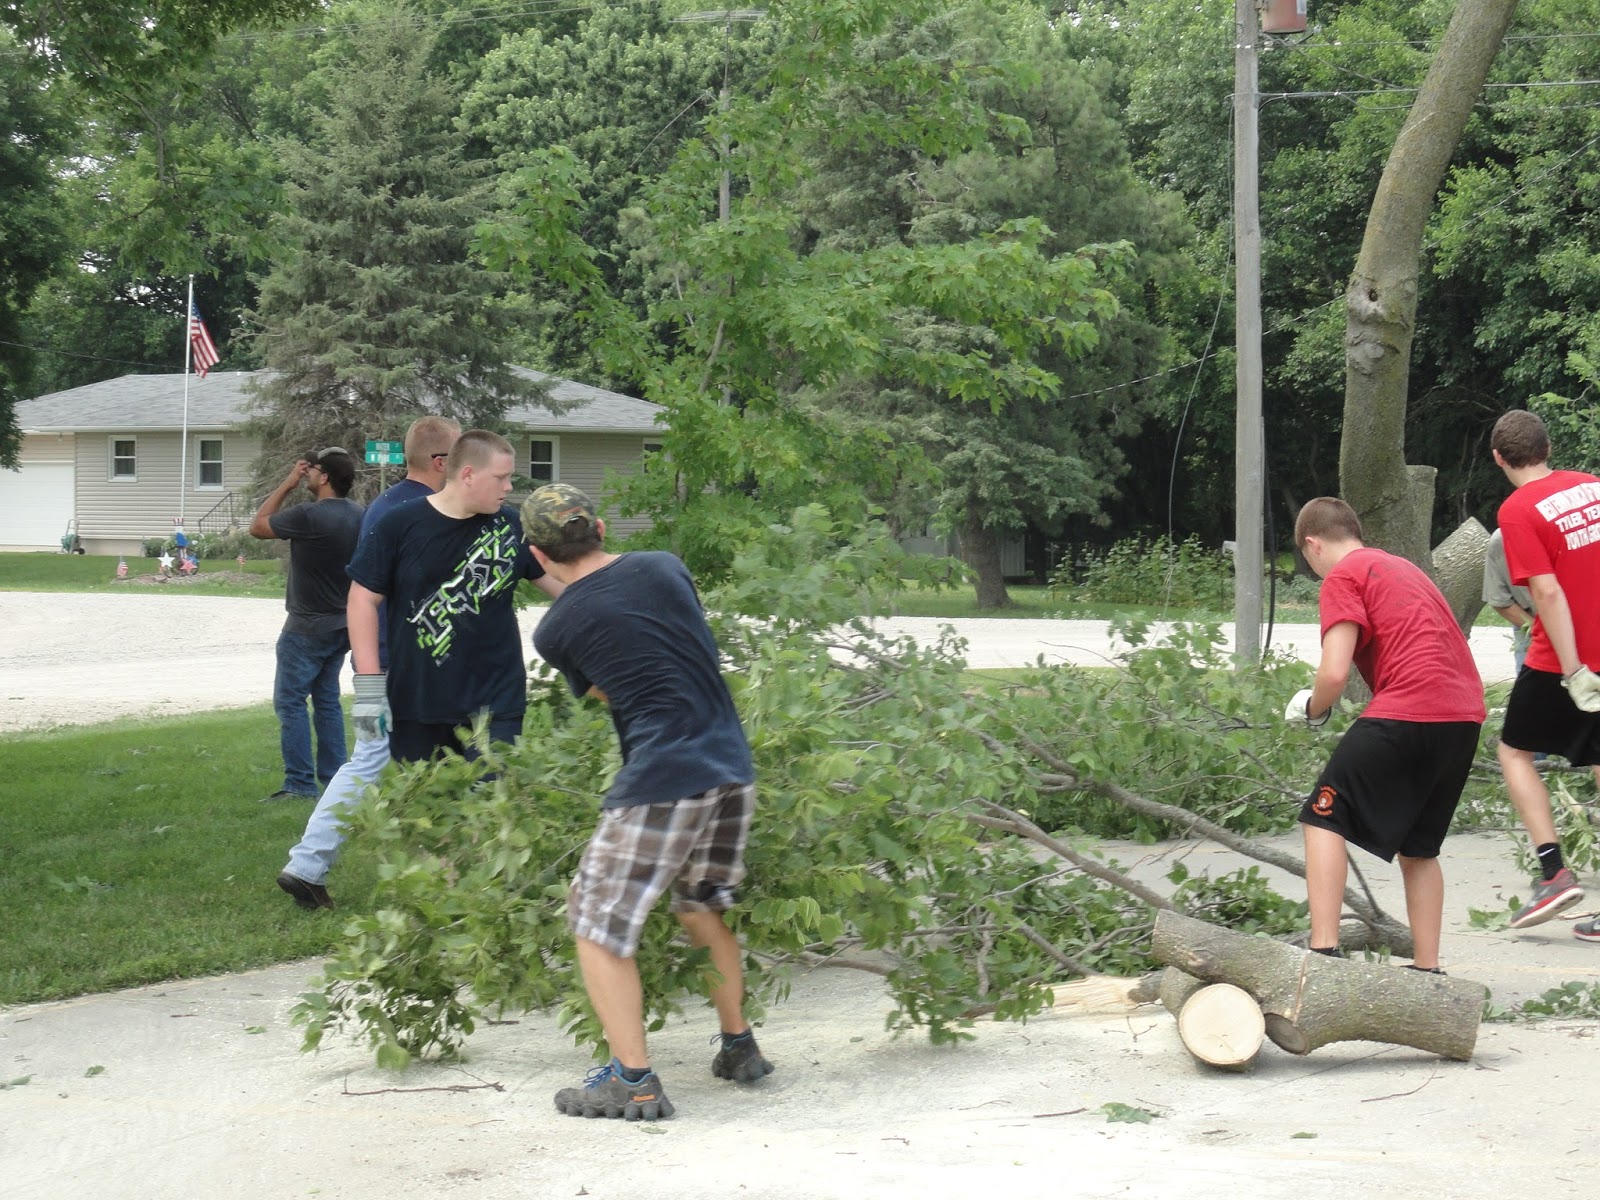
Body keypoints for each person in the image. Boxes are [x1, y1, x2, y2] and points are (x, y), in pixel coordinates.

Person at [523, 483, 769, 1123]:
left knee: (594, 919)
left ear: (539, 555)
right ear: (601, 527)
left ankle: (632, 1083)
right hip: (730, 764)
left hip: (664, 775)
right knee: (700, 904)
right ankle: (739, 1046)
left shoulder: (556, 630)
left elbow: (607, 689)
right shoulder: (664, 566)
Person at [1289, 497, 1485, 972]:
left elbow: (1334, 673)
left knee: (1323, 816)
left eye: (1308, 559)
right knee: (1418, 848)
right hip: (1464, 716)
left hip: (1408, 708)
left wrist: (1312, 709)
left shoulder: (1343, 576)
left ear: (1313, 544)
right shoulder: (1403, 568)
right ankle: (1427, 970)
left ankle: (1323, 955)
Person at [275, 416, 460, 911]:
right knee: (435, 758)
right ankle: (444, 876)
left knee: (373, 760)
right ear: (440, 461)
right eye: (462, 456)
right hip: (399, 665)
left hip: (374, 663)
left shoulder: (385, 505)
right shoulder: (422, 512)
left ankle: (307, 866)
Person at [344, 430, 562, 768]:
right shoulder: (399, 524)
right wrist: (369, 690)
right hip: (418, 703)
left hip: (496, 703)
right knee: (426, 799)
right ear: (468, 474)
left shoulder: (511, 526)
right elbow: (361, 600)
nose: (508, 487)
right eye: (501, 478)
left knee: (491, 796)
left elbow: (561, 584)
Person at [1489, 409, 1600, 937]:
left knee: (1513, 752)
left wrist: (1573, 668)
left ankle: (1554, 873)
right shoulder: (1592, 487)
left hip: (1563, 659)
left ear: (1499, 458)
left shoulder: (1517, 510)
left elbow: (1547, 592)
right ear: (1548, 448)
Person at [250, 447, 364, 802]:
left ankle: (299, 783)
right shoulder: (359, 515)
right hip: (342, 625)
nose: (307, 474)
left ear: (324, 477)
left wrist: (288, 483)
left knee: (291, 701)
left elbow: (258, 526)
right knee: (327, 700)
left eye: (312, 470)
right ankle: (335, 779)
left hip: (306, 627)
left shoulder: (309, 515)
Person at [1483, 528, 1537, 674]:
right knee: (1530, 685)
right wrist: (1537, 630)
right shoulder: (1501, 540)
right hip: (1529, 626)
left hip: (1579, 626)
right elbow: (1500, 601)